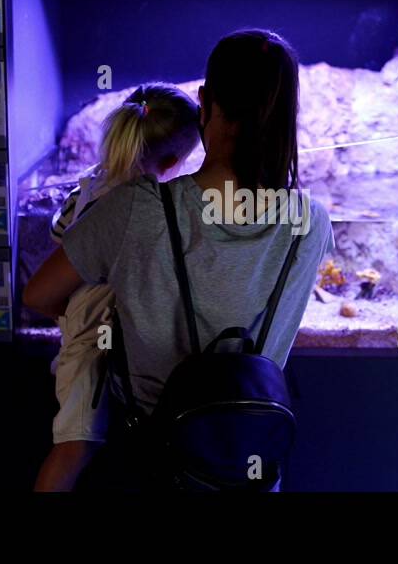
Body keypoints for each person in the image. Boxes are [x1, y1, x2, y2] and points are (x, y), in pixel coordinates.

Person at [24, 28, 334, 489]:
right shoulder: (312, 222)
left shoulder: (135, 208)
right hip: (249, 460)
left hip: (157, 460)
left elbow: (39, 294)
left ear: (206, 104)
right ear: (287, 117)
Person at [32, 83, 200, 491]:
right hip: (90, 347)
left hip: (92, 334)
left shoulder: (90, 183)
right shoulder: (139, 203)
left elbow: (59, 237)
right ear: (176, 160)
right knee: (75, 445)